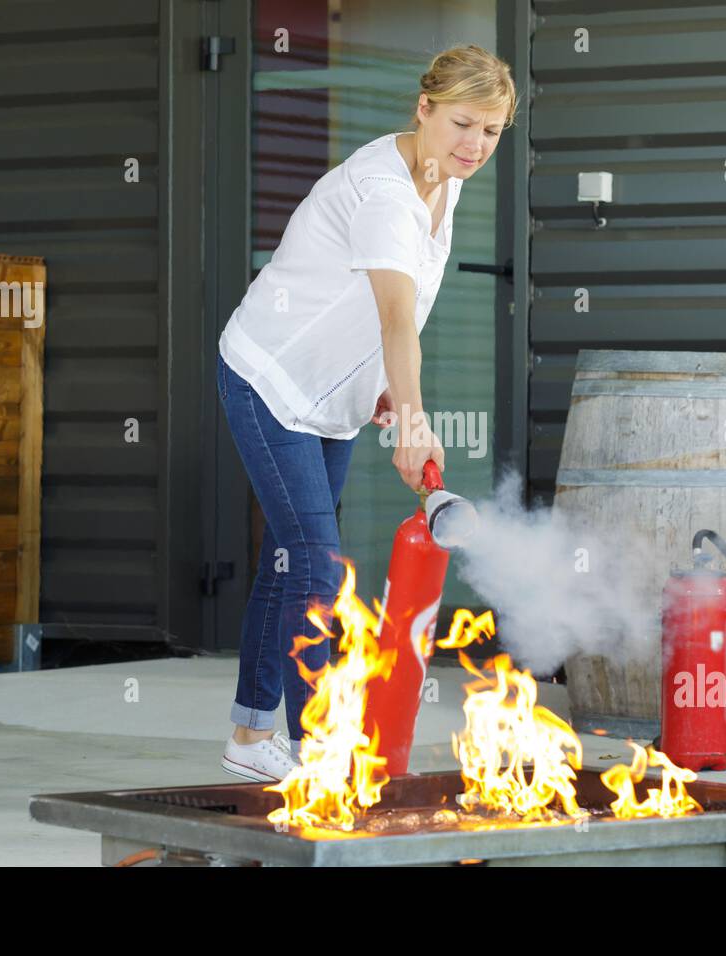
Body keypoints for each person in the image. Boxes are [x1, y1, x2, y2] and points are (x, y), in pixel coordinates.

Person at [216, 44, 517, 782]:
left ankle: (251, 740)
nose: (475, 145)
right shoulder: (385, 192)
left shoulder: (442, 179)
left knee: (289, 561)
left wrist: (381, 389)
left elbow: (382, 316)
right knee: (318, 567)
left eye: (492, 132)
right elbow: (395, 317)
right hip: (271, 378)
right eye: (462, 124)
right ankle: (320, 761)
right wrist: (412, 419)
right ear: (423, 109)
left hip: (334, 398)